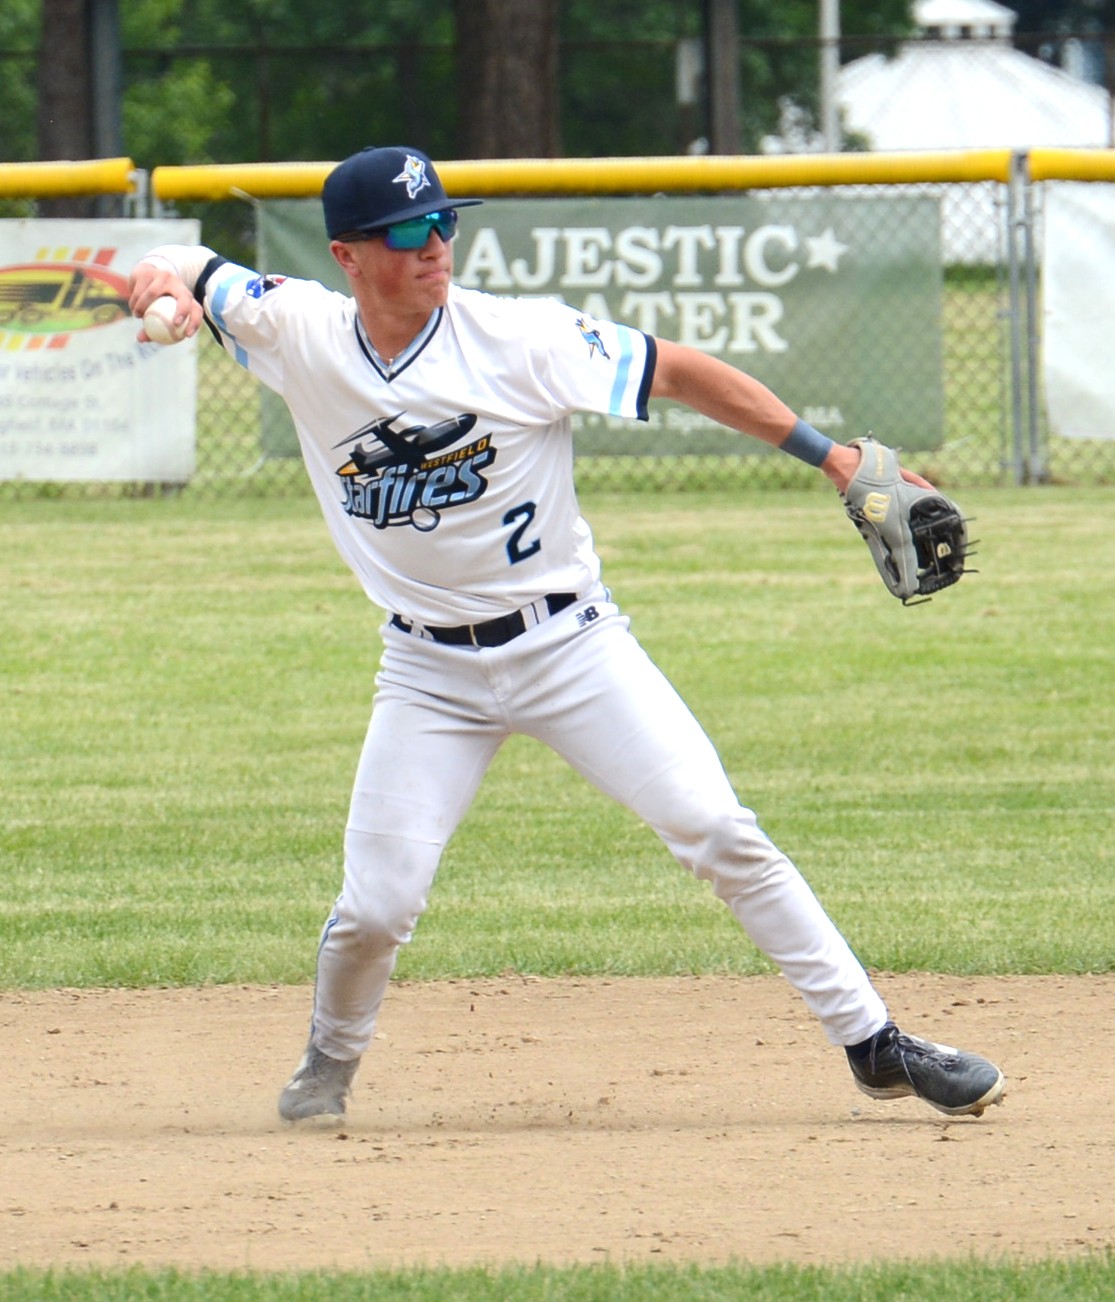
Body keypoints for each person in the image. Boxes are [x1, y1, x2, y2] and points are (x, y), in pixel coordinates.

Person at [128, 145, 1006, 1124]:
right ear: (348, 255)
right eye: (409, 233)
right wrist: (161, 279)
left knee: (717, 830)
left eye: (444, 224)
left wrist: (832, 458)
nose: (435, 247)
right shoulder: (297, 329)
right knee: (376, 907)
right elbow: (184, 261)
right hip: (425, 670)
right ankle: (327, 1066)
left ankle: (874, 1043)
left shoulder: (519, 339)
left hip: (569, 647)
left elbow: (675, 372)